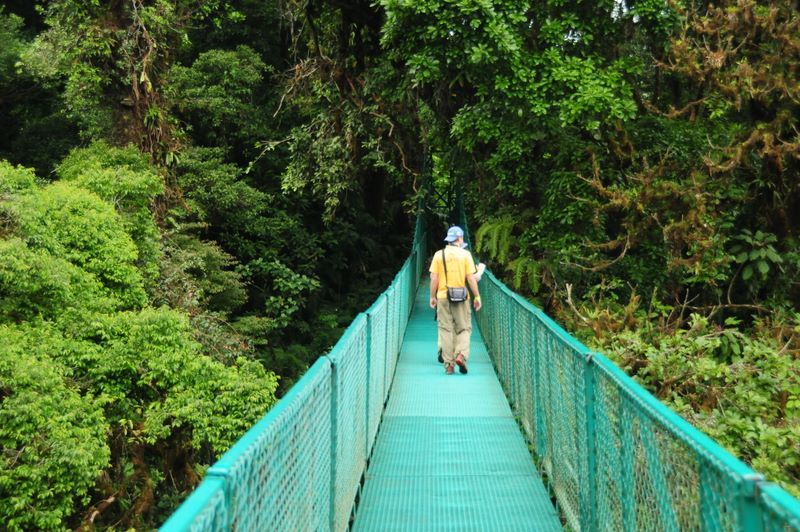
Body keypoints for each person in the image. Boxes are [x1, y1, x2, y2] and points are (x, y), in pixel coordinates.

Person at [429, 226, 482, 375]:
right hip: (461, 297)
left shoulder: (438, 255)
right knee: (464, 328)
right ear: (459, 238)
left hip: (442, 297)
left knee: (445, 330)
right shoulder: (465, 255)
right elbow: (470, 278)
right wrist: (477, 296)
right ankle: (461, 355)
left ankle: (449, 365)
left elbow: (434, 278)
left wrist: (432, 296)